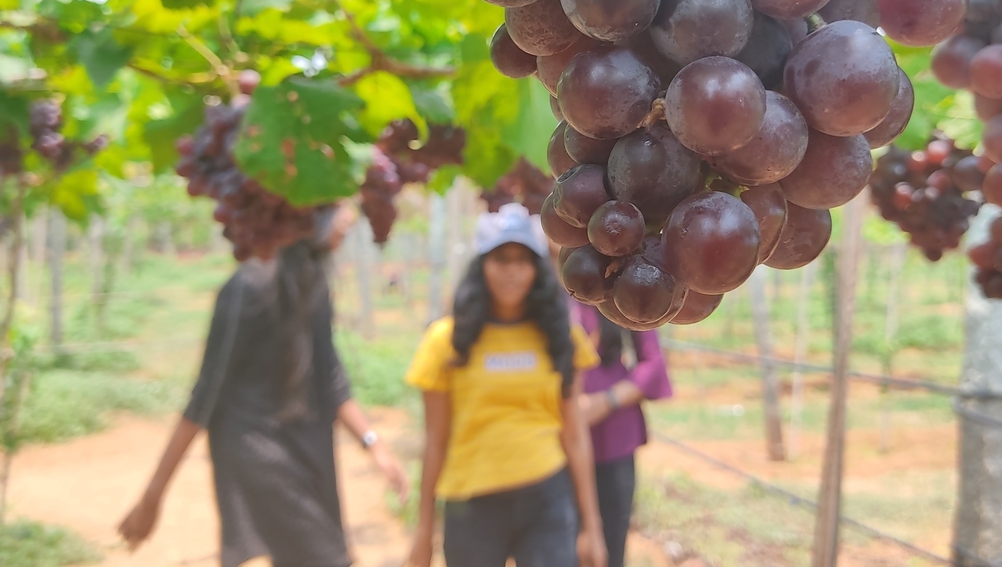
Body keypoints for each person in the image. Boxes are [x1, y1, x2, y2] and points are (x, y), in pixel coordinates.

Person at [118, 205, 408, 567]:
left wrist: (373, 444)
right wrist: (153, 494)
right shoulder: (248, 287)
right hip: (257, 452)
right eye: (336, 207)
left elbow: (329, 375)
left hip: (307, 446)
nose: (349, 216)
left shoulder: (311, 280)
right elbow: (205, 396)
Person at [406, 203, 608, 567]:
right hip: (472, 506)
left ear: (537, 268)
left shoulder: (561, 339)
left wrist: (591, 527)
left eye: (522, 260)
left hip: (547, 499)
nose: (512, 271)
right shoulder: (446, 342)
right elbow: (435, 441)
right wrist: (424, 531)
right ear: (481, 265)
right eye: (501, 259)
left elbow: (575, 434)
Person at [574, 302, 672, 567]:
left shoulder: (616, 291)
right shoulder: (533, 283)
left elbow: (654, 363)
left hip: (612, 439)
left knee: (609, 547)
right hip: (554, 440)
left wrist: (606, 401)